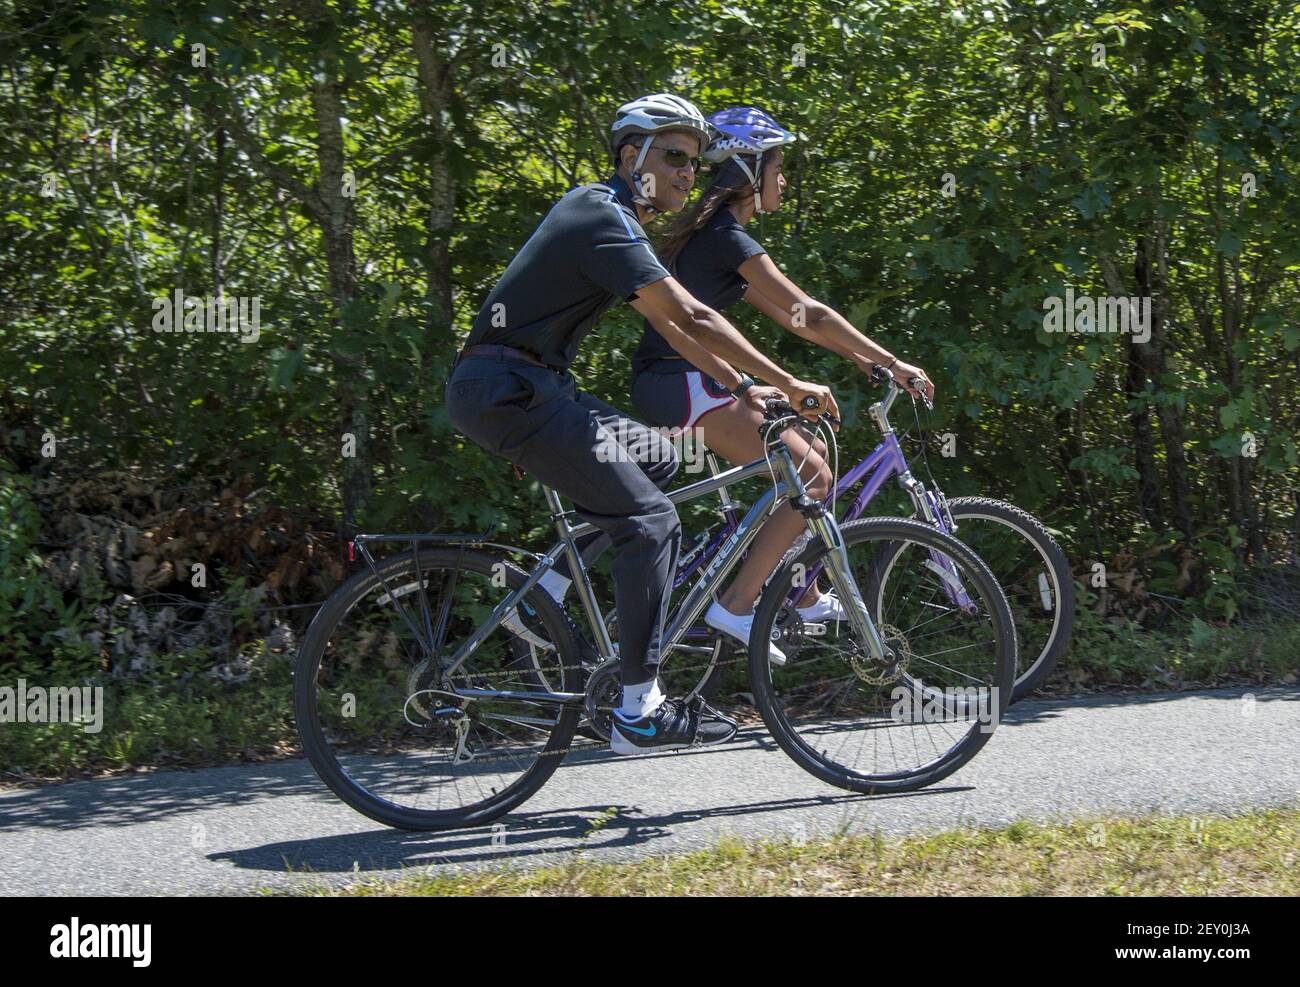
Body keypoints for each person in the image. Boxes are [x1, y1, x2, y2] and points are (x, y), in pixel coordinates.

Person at [444, 94, 836, 755]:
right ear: (633, 156)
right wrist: (794, 385)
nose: (688, 172)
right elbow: (696, 317)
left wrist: (745, 386)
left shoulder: (616, 217)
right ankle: (638, 707)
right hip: (510, 391)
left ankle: (551, 583)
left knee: (658, 459)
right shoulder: (599, 213)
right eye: (675, 156)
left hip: (529, 388)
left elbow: (670, 325)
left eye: (695, 161)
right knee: (653, 521)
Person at [625, 106, 934, 658]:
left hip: (680, 381)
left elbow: (791, 317)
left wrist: (865, 359)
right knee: (813, 475)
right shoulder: (723, 236)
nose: (784, 180)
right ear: (748, 170)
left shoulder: (717, 237)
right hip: (679, 381)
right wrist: (894, 361)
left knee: (811, 456)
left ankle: (804, 590)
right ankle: (737, 607)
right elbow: (809, 311)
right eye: (778, 166)